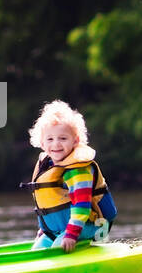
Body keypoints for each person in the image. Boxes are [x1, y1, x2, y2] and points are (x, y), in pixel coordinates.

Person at [20, 100, 117, 252]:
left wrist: (71, 234)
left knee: (58, 249)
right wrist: (44, 230)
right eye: (50, 139)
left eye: (63, 138)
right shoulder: (47, 166)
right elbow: (47, 203)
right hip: (59, 229)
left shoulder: (78, 170)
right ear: (42, 143)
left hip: (89, 225)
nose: (56, 144)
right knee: (36, 252)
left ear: (75, 140)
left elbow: (82, 205)